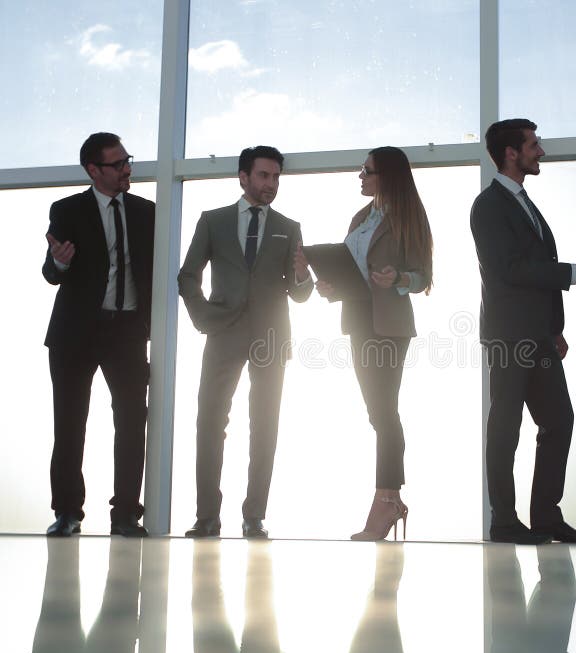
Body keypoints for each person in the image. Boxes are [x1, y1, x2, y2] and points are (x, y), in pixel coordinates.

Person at [470, 118, 576, 545]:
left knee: (558, 420)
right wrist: (572, 273)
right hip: (509, 337)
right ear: (511, 152)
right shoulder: (489, 205)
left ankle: (545, 518)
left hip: (537, 335)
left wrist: (553, 328)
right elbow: (509, 270)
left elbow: (530, 268)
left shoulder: (524, 203)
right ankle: (504, 522)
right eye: (533, 144)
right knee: (505, 427)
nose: (540, 151)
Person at [178, 145, 312, 539]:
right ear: (243, 176)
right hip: (222, 332)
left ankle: (255, 516)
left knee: (265, 426)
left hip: (270, 337)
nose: (271, 184)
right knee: (209, 423)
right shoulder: (213, 221)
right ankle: (207, 517)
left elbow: (299, 292)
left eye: (276, 177)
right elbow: (188, 276)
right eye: (264, 176)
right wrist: (203, 317)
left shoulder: (289, 227)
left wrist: (304, 278)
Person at [303, 146, 433, 541]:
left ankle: (387, 501)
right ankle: (389, 501)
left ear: (387, 176)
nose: (361, 176)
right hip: (357, 318)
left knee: (384, 411)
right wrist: (329, 286)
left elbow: (423, 277)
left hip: (389, 324)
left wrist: (398, 279)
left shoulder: (409, 218)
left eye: (367, 171)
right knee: (377, 414)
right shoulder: (360, 217)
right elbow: (352, 272)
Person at [43, 132, 154, 538]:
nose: (127, 169)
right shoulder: (67, 210)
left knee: (131, 421)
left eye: (128, 160)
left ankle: (125, 514)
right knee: (70, 423)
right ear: (93, 170)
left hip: (126, 331)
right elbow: (51, 272)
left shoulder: (148, 212)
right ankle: (68, 512)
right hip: (75, 334)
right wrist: (59, 263)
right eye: (118, 164)